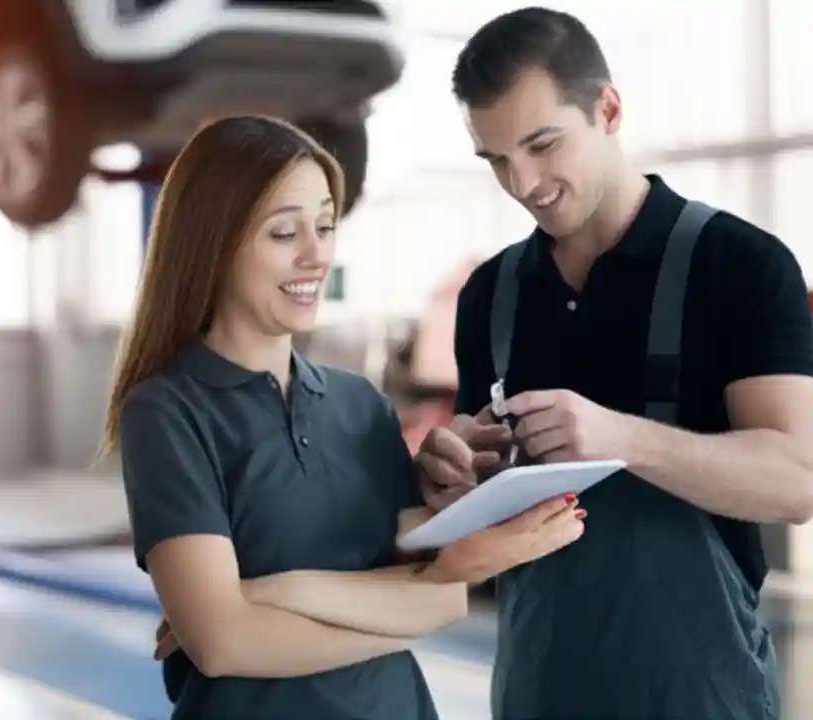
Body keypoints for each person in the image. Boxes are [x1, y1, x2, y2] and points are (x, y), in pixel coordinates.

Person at [98, 115, 586, 720]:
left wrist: (269, 594)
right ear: (214, 242)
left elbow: (445, 603)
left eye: (325, 226)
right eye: (284, 232)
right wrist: (407, 604)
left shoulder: (362, 406)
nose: (316, 256)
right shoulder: (167, 411)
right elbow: (224, 644)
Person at [415, 7, 813, 719]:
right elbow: (481, 509)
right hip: (536, 693)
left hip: (697, 700)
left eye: (542, 145)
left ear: (608, 109)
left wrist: (621, 439)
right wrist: (454, 478)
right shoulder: (490, 295)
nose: (523, 183)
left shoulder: (739, 265)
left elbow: (796, 482)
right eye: (497, 160)